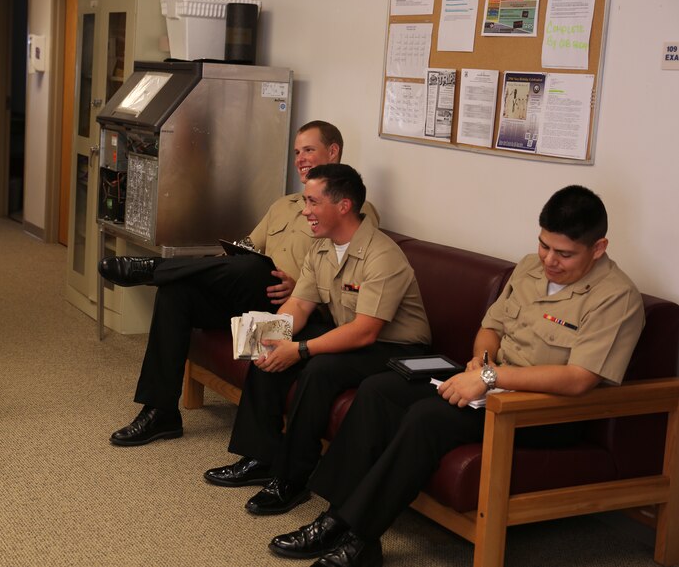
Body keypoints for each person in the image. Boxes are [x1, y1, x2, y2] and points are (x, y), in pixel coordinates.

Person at [268, 184, 645, 567]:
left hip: (542, 410)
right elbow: (490, 328)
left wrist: (493, 378)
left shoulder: (616, 297)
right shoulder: (529, 267)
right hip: (490, 382)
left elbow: (579, 379)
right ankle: (335, 519)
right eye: (544, 245)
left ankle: (360, 540)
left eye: (564, 254)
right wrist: (482, 362)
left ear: (599, 248)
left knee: (427, 417)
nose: (549, 260)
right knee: (380, 390)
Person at [102, 121, 380, 446]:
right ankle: (160, 412)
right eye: (296, 152)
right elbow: (247, 246)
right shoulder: (284, 205)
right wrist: (230, 260)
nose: (300, 159)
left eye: (308, 150)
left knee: (251, 268)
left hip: (297, 309)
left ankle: (156, 268)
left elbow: (347, 279)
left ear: (333, 152)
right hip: (252, 292)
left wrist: (301, 288)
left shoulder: (355, 211)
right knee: (179, 291)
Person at [204, 163, 431, 516]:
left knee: (318, 369)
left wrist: (301, 349)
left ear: (342, 206)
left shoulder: (382, 256)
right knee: (270, 345)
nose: (305, 211)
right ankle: (261, 458)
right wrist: (270, 337)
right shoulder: (322, 246)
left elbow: (366, 331)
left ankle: (292, 479)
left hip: (396, 347)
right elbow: (300, 303)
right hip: (351, 334)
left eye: (312, 202)